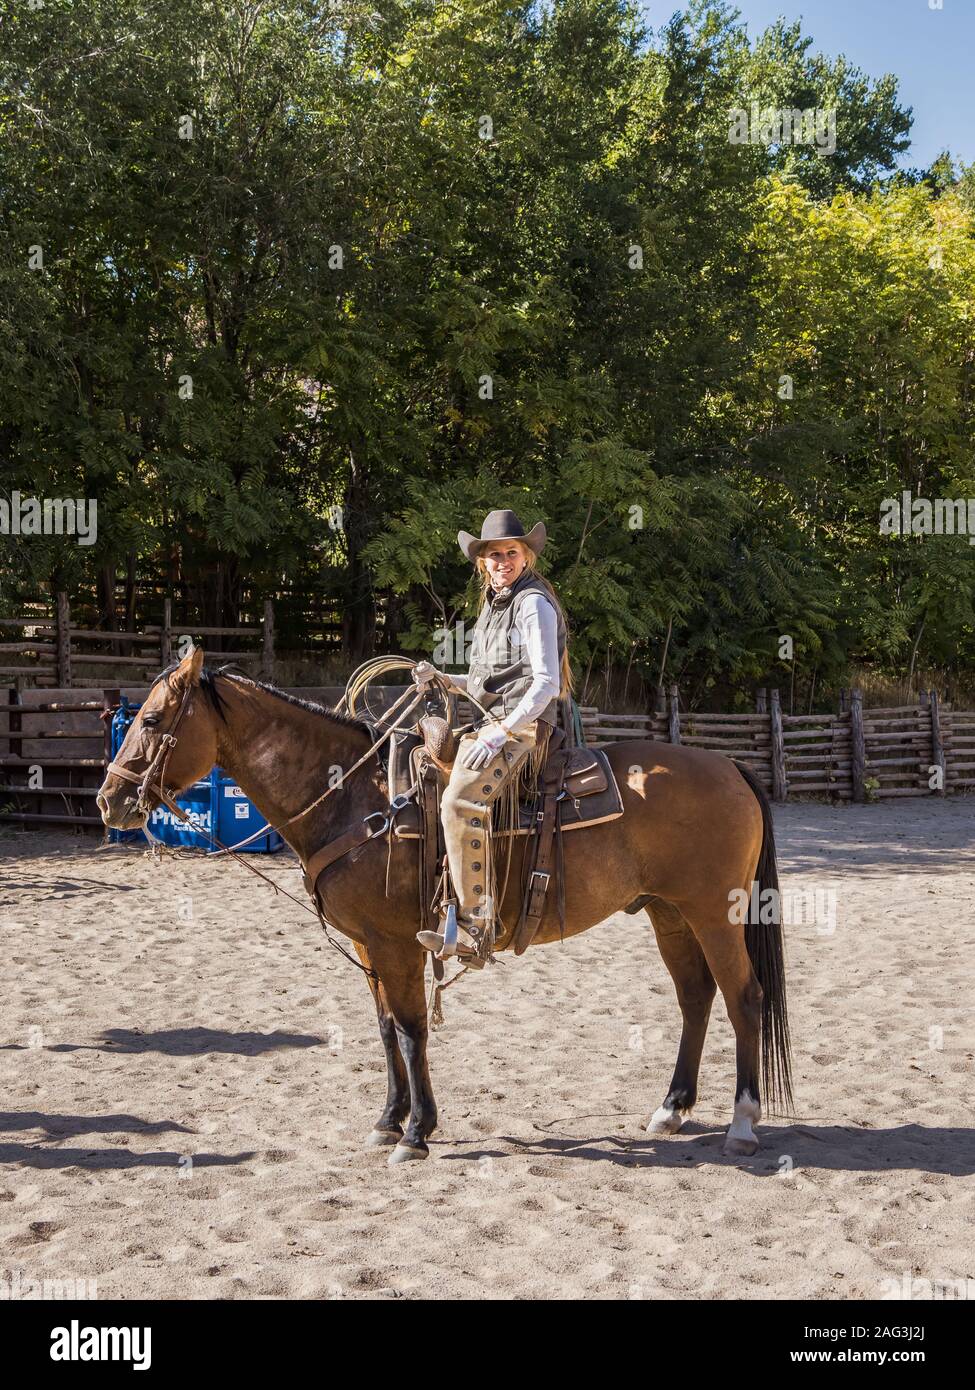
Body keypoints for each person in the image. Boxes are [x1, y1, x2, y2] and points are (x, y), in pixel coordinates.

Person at [414, 509, 572, 966]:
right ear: (482, 561)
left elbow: (545, 683)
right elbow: (487, 682)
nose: (503, 561)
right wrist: (444, 678)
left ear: (526, 557)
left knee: (459, 801)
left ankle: (476, 926)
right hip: (493, 721)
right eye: (494, 554)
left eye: (511, 552)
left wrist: (502, 732)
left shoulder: (532, 603)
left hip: (524, 726)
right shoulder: (493, 606)